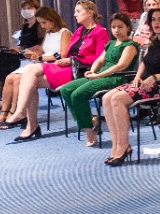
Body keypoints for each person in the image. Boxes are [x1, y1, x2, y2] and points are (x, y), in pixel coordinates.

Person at [4, 0, 109, 142]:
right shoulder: (79, 31)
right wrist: (62, 59)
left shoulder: (100, 32)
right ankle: (30, 124)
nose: (74, 14)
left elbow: (99, 59)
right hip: (67, 66)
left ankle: (22, 114)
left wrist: (71, 60)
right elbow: (66, 54)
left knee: (30, 71)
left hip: (80, 70)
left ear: (89, 13)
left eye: (78, 11)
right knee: (29, 79)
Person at [99, 7, 160, 165]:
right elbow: (144, 63)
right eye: (153, 20)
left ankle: (124, 146)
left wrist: (154, 78)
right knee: (106, 98)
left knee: (117, 100)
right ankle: (116, 144)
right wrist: (138, 77)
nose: (156, 23)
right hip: (146, 84)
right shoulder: (153, 41)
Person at [59, 12, 140, 147]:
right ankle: (90, 120)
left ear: (128, 28)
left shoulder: (130, 45)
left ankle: (89, 130)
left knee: (78, 95)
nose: (117, 30)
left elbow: (121, 66)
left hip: (116, 78)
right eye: (114, 27)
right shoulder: (111, 43)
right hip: (101, 75)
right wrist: (93, 70)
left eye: (120, 27)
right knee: (66, 89)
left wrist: (98, 75)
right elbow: (100, 60)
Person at [0, 6, 68, 131]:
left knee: (18, 80)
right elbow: (43, 50)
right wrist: (33, 53)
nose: (42, 26)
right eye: (40, 23)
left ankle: (14, 113)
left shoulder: (64, 32)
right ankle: (3, 114)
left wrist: (40, 58)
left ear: (52, 19)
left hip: (52, 65)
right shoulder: (48, 34)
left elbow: (61, 54)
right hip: (41, 63)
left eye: (44, 22)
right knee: (10, 78)